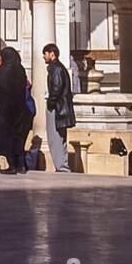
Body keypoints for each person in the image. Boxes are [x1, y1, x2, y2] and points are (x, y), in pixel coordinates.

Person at [0, 45, 32, 174]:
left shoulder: (2, 72)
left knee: (7, 138)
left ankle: (12, 165)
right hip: (20, 110)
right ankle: (21, 165)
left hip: (5, 111)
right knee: (18, 139)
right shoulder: (20, 70)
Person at [43, 42, 76, 173]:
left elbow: (56, 88)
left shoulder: (55, 69)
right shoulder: (59, 68)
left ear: (52, 54)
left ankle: (61, 167)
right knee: (61, 139)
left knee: (55, 138)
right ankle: (63, 165)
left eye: (45, 54)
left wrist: (50, 104)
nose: (44, 57)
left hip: (57, 109)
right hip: (61, 108)